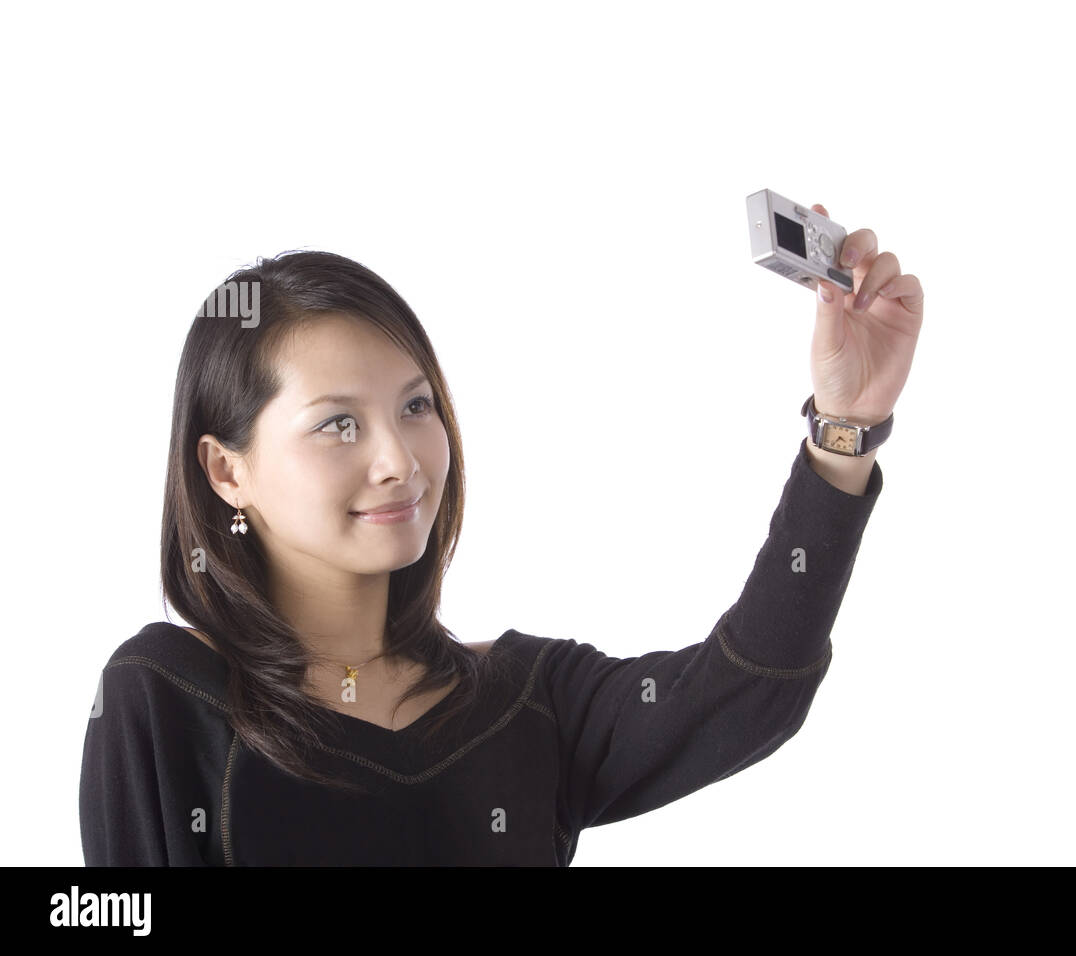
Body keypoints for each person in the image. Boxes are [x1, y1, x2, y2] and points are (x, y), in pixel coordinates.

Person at [79, 213, 923, 865]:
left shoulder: (526, 701)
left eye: (416, 407)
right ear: (226, 472)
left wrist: (843, 431)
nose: (400, 461)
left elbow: (749, 691)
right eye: (337, 424)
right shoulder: (163, 697)